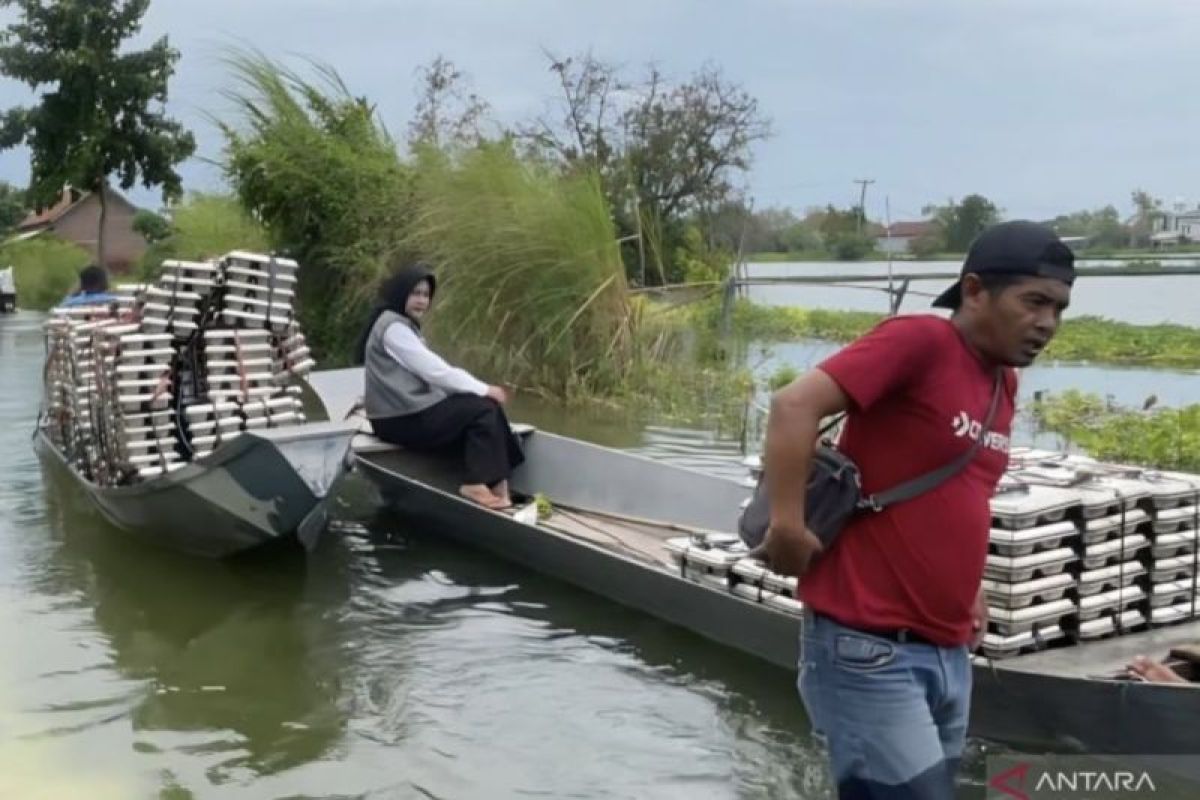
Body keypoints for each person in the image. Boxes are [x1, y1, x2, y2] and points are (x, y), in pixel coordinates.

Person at [763, 221, 1074, 799]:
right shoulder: (921, 342)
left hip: (947, 646)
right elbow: (792, 406)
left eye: (1058, 308)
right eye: (1034, 302)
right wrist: (787, 524)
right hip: (869, 645)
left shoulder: (1001, 383)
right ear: (975, 290)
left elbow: (962, 493)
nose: (1047, 324)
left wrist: (967, 585)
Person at [356, 263, 525, 509]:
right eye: (415, 294)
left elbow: (436, 375)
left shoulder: (403, 325)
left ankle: (499, 484)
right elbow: (436, 372)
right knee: (484, 408)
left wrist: (482, 394)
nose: (421, 301)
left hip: (410, 412)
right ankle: (475, 483)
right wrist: (484, 388)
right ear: (401, 293)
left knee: (486, 408)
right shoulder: (393, 328)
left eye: (426, 295)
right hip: (398, 418)